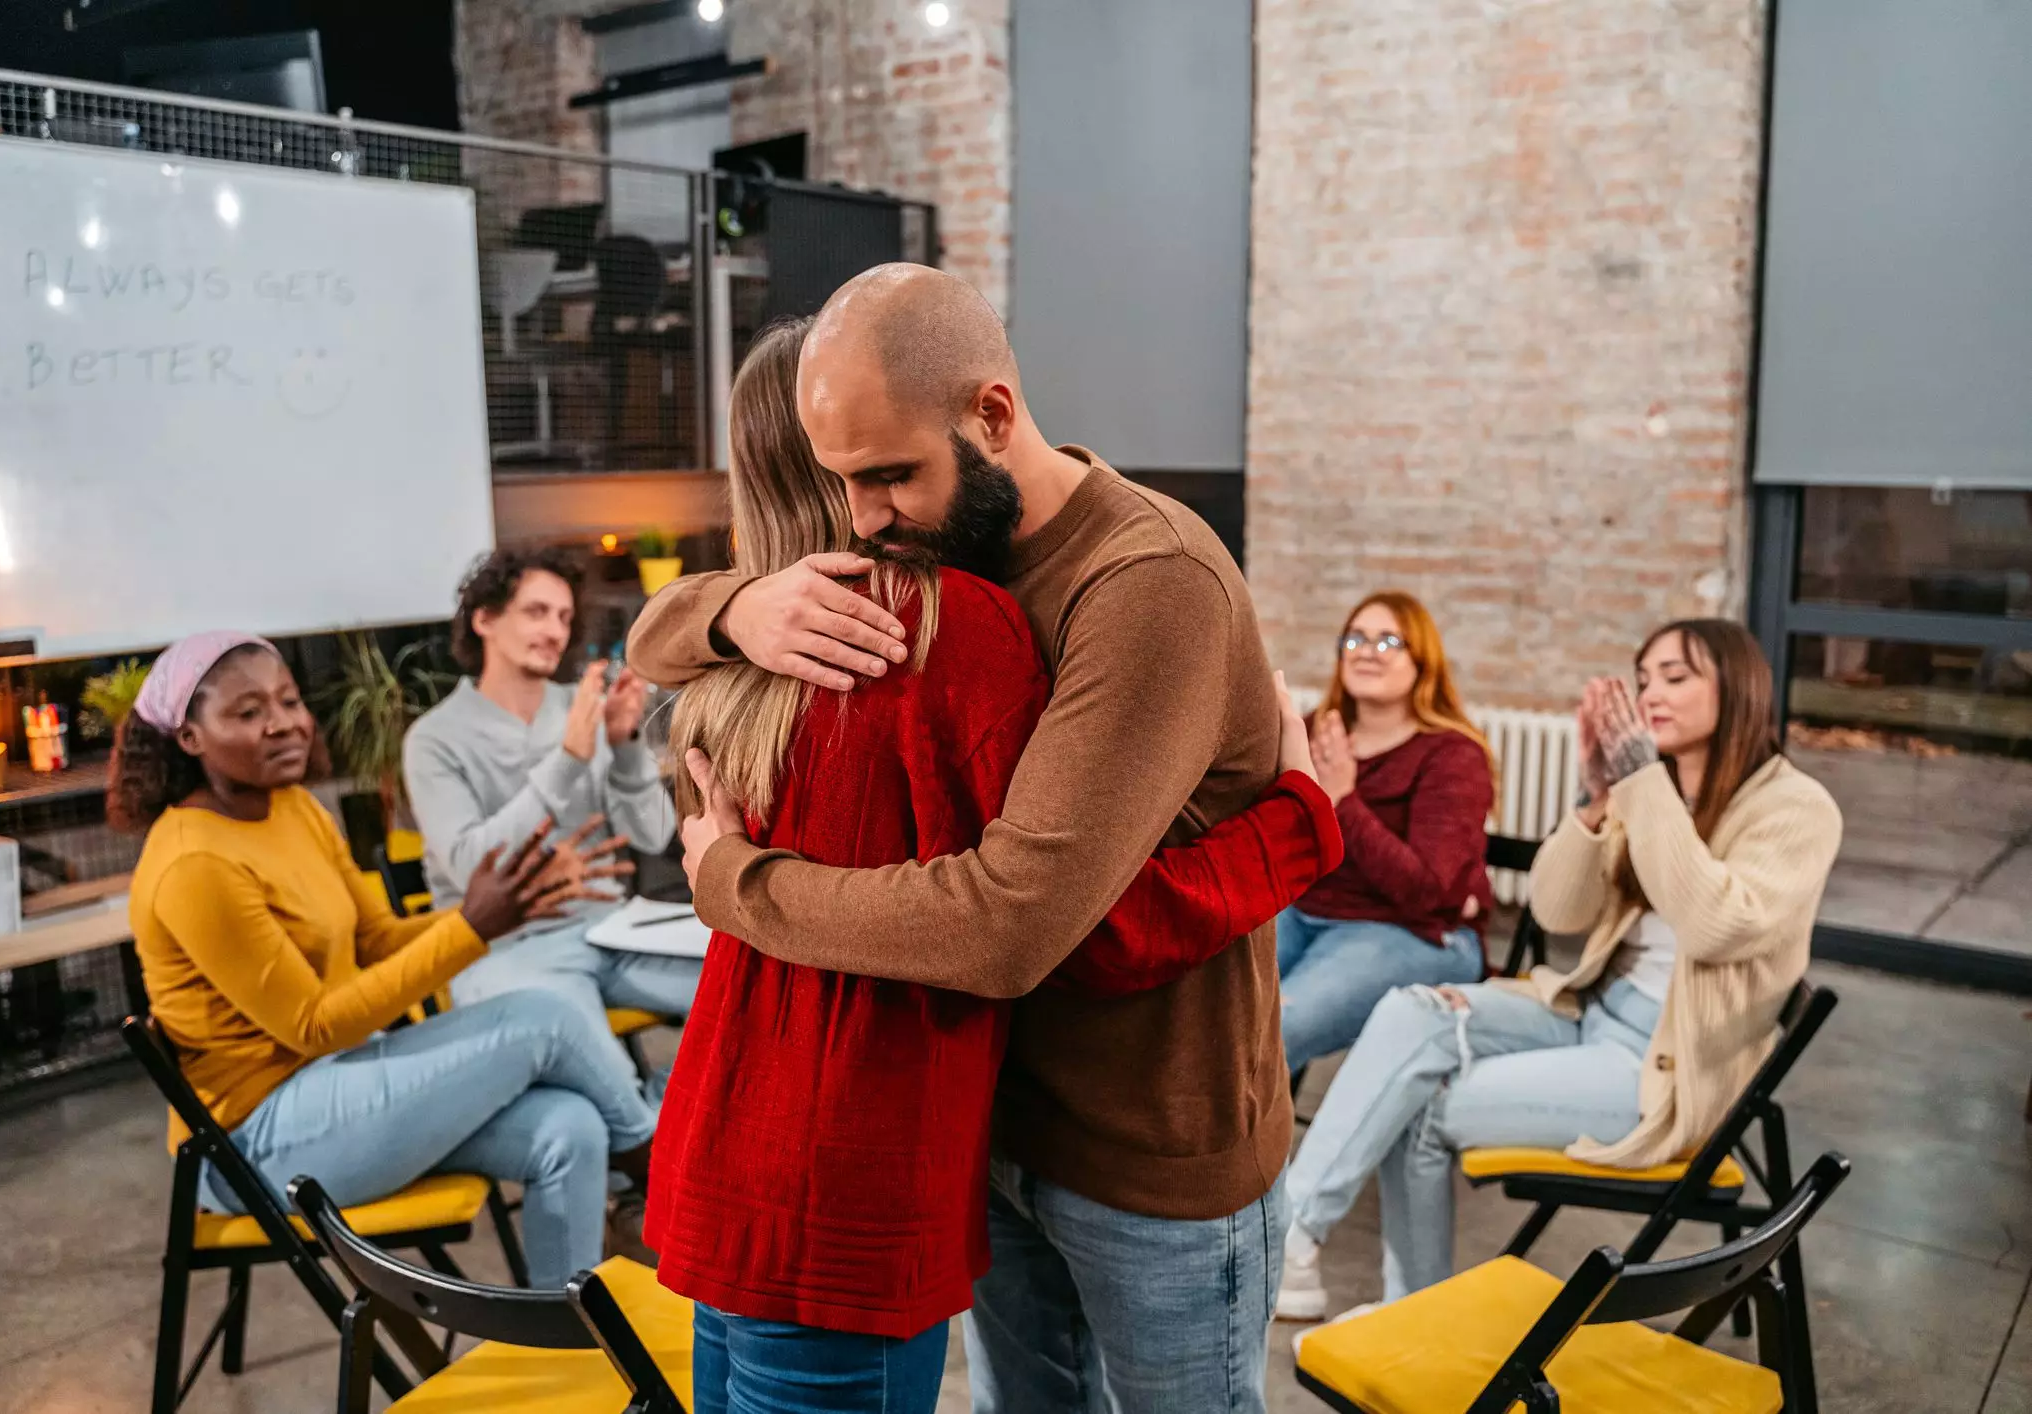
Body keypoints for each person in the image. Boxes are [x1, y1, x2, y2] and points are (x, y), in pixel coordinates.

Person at [630, 266, 1313, 1413]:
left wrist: (735, 879)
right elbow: (661, 638)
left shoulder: (1146, 580)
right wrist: (732, 607)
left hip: (1153, 1153)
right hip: (995, 1130)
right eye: (840, 484)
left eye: (891, 474)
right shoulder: (942, 553)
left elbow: (1017, 920)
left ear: (993, 414)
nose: (865, 519)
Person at [1273, 620, 1843, 1322]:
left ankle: (1384, 1295)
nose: (1649, 694)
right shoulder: (1652, 791)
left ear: (1739, 687)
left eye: (1674, 676)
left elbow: (1715, 925)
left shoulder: (1794, 807)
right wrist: (1595, 800)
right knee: (1409, 1010)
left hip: (1664, 1069)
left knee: (1414, 1100)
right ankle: (1303, 1249)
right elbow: (1556, 910)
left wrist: (1639, 780)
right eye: (1642, 680)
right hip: (1586, 1012)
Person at [119, 632, 662, 1288]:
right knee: (543, 1019)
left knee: (570, 1128)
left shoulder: (294, 808)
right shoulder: (193, 862)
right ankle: (659, 1167)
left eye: (289, 700)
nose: (283, 723)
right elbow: (313, 1026)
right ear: (188, 739)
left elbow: (376, 939)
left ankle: (565, 1344)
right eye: (248, 711)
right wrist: (471, 925)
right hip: (258, 1139)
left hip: (347, 1082)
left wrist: (507, 910)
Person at [403, 548, 698, 1039]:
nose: (555, 630)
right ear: (485, 620)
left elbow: (653, 835)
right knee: (577, 1042)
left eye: (563, 616)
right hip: (507, 949)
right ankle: (654, 1115)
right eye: (536, 612)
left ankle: (684, 1109)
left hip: (611, 932)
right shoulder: (434, 739)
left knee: (746, 986)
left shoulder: (580, 708)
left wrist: (624, 746)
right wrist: (569, 758)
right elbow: (472, 866)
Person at [1278, 591, 1493, 1075]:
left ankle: (1251, 1152)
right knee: (1206, 1013)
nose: (1368, 650)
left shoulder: (1452, 756)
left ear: (1422, 660)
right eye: (1355, 638)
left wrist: (1342, 800)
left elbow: (1428, 892)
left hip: (1412, 931)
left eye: (1388, 640)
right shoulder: (1314, 732)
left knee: (1272, 1031)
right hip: (1306, 910)